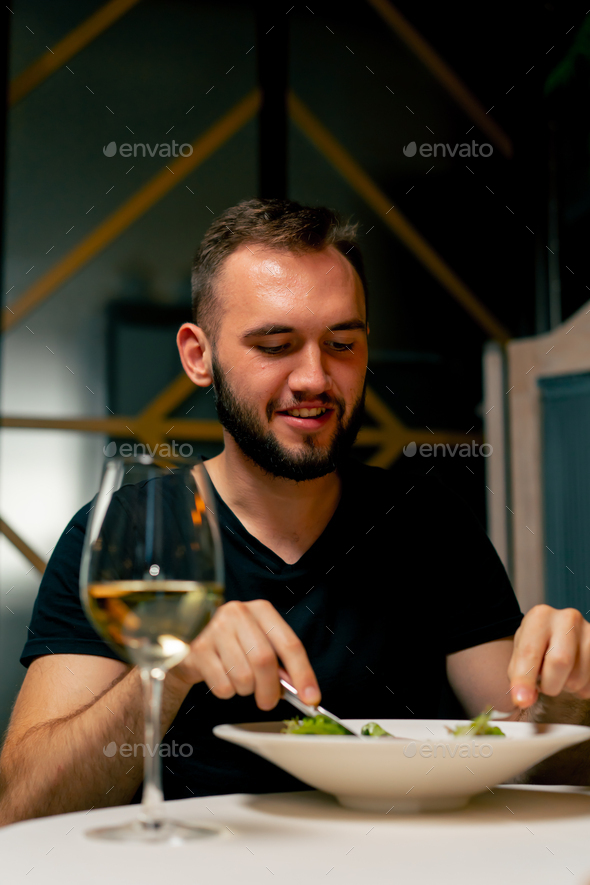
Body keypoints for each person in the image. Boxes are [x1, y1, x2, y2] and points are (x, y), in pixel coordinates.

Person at [1, 198, 589, 825]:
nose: (314, 377)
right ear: (199, 356)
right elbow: (19, 806)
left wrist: (567, 705)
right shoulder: (126, 532)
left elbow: (538, 766)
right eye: (275, 344)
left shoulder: (428, 523)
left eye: (341, 343)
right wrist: (169, 675)